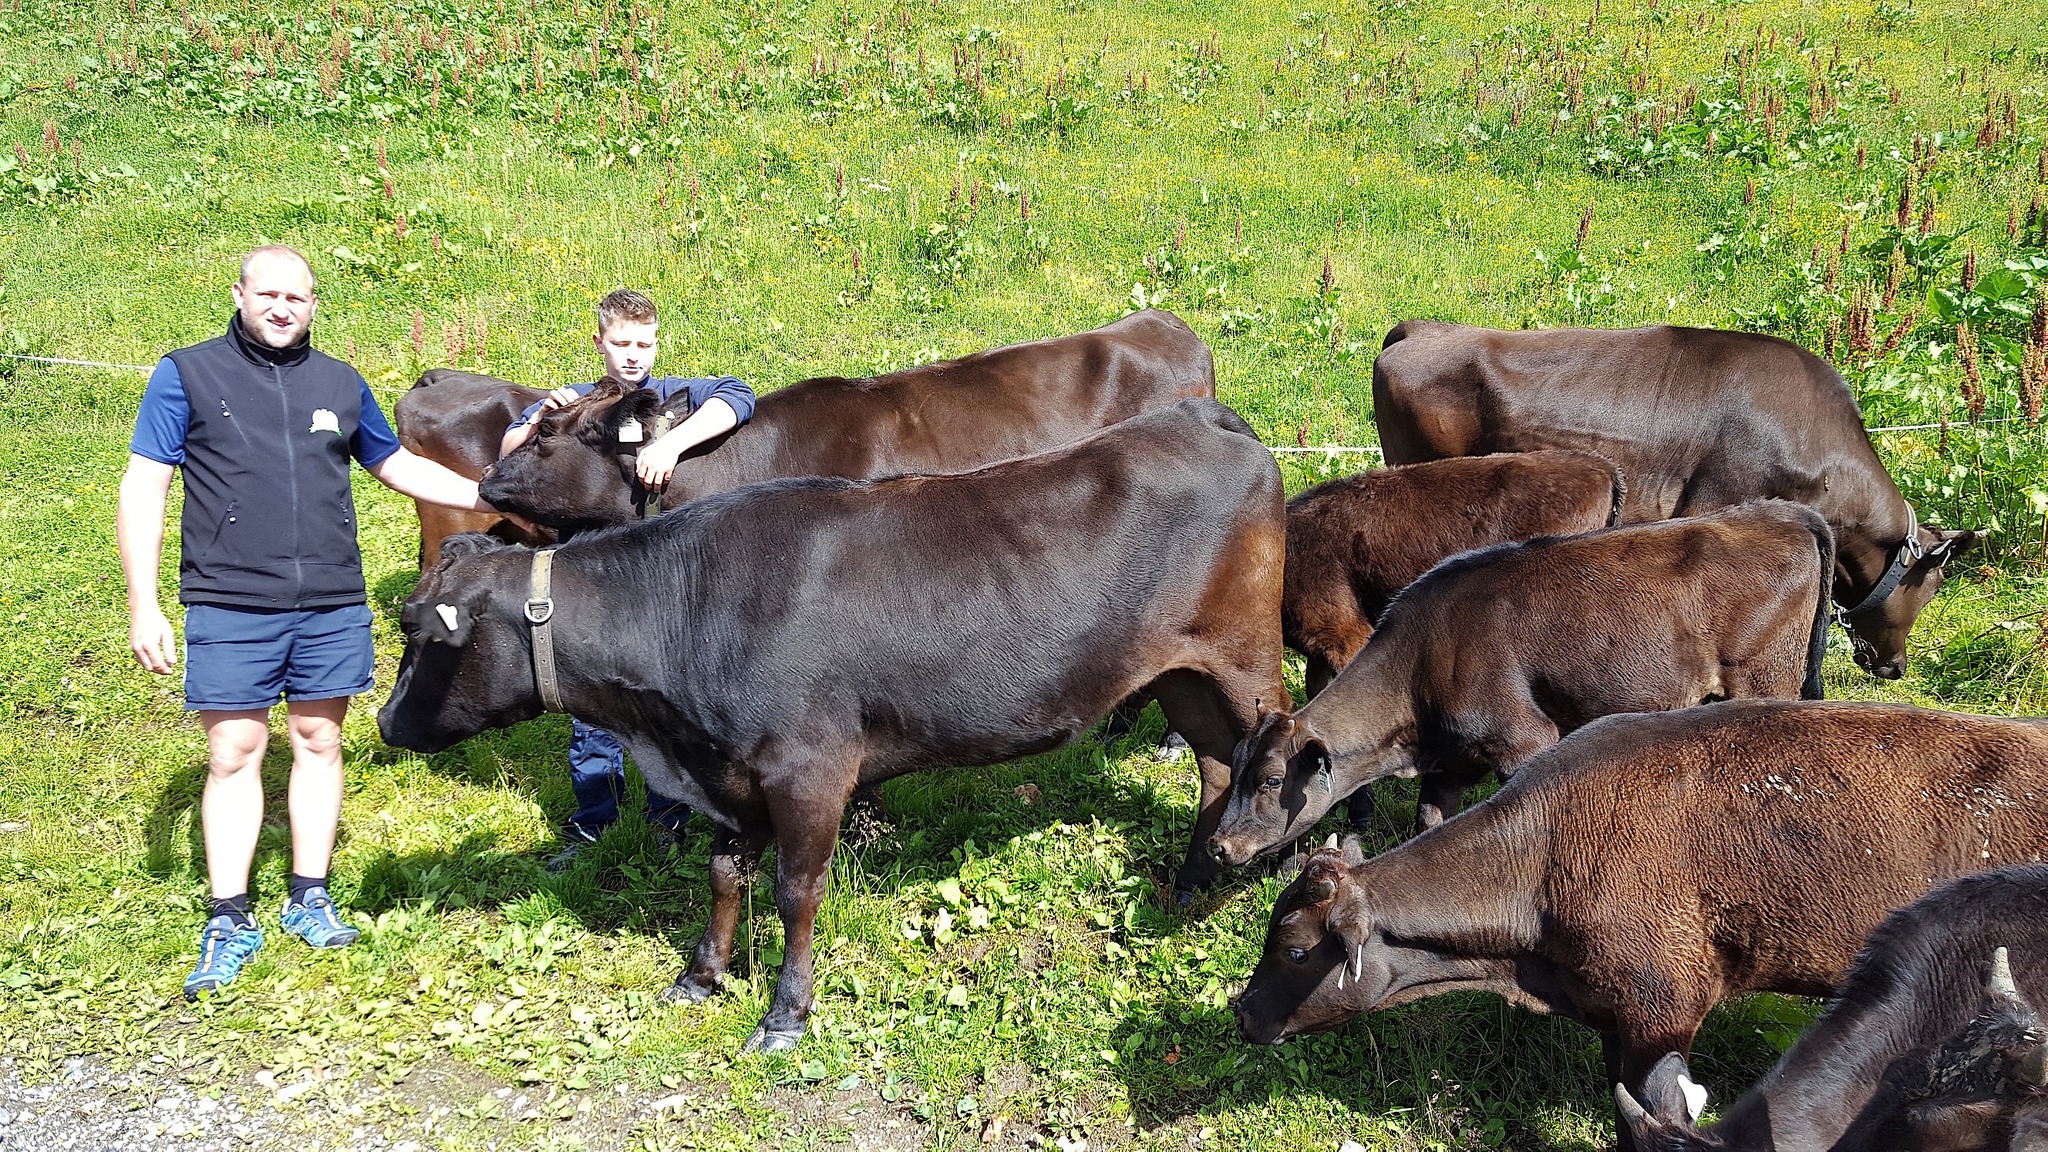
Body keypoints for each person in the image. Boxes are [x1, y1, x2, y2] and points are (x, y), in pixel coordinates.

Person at [119, 246, 504, 998]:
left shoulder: (338, 382)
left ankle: (309, 895)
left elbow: (396, 466)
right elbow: (144, 486)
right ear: (238, 294)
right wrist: (144, 603)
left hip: (329, 598)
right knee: (235, 749)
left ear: (314, 304)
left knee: (319, 738)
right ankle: (229, 914)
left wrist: (501, 498)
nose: (282, 307)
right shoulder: (187, 374)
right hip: (231, 599)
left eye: (297, 297)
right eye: (268, 294)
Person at [499, 288, 756, 872]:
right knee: (594, 712)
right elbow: (508, 451)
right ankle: (595, 823)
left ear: (657, 342)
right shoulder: (573, 405)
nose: (633, 354)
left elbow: (741, 396)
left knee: (666, 709)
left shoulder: (671, 399)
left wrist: (672, 442)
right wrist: (542, 415)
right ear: (600, 343)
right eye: (621, 343)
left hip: (660, 592)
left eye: (644, 342)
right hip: (590, 587)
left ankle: (669, 822)